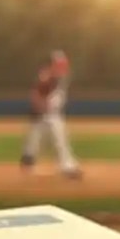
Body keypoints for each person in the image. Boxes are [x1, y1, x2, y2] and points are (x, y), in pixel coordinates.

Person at [20, 50, 81, 179]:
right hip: (46, 114)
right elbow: (35, 94)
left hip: (52, 114)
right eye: (59, 64)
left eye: (63, 64)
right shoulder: (46, 77)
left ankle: (29, 157)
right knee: (55, 138)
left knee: (43, 138)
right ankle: (67, 166)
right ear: (52, 64)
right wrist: (40, 106)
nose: (62, 66)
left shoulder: (59, 77)